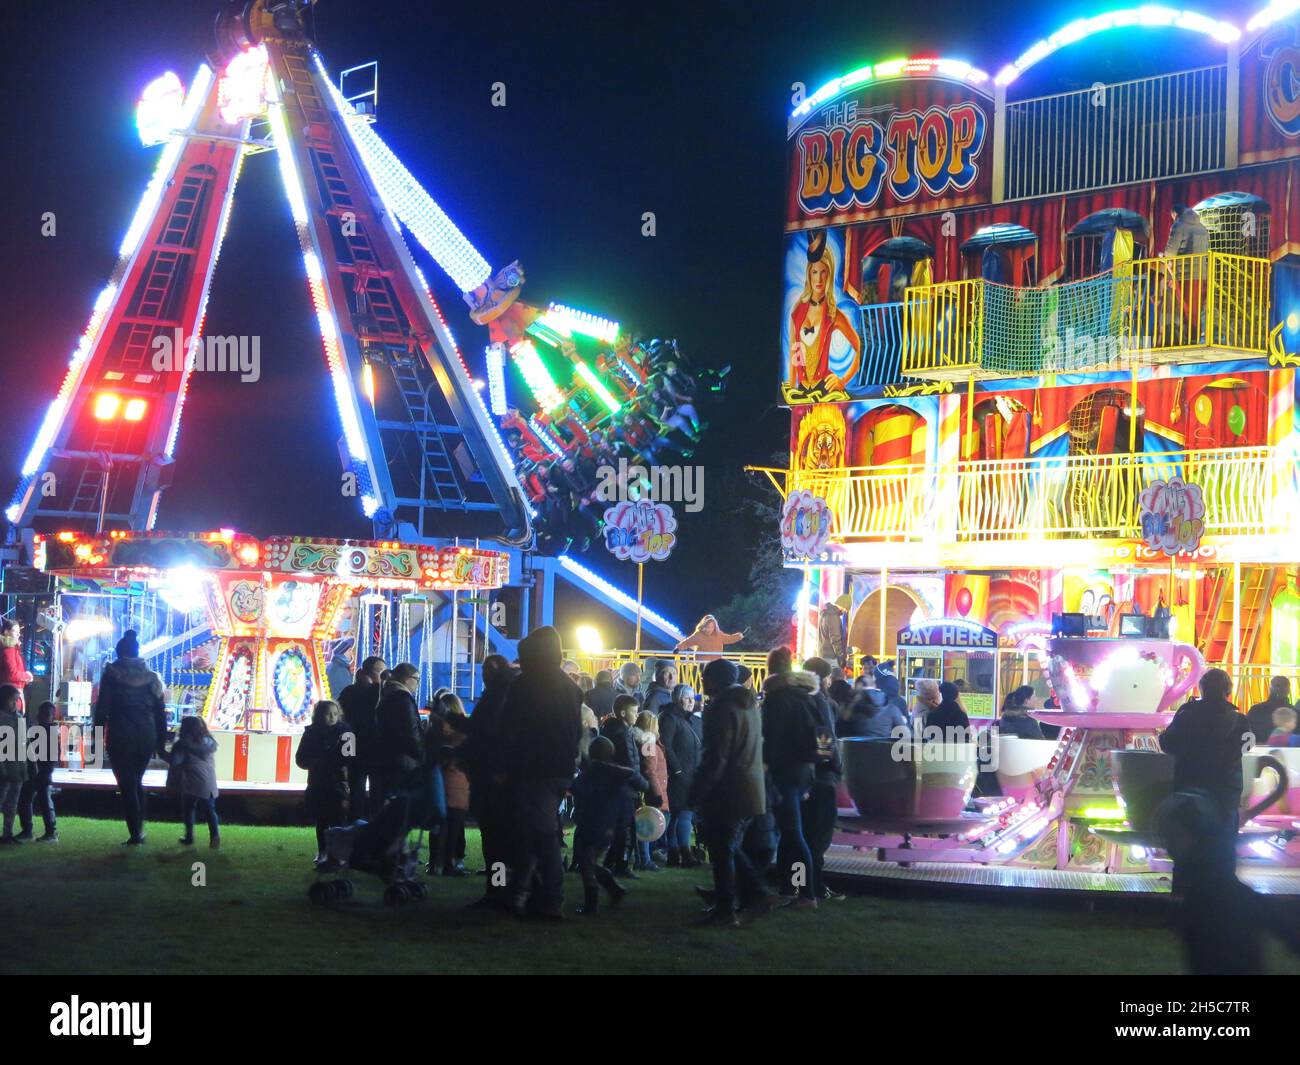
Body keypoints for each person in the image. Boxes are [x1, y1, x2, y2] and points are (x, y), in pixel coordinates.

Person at [500, 625, 584, 920]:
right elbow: (576, 731)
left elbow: (510, 728)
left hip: (533, 768)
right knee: (538, 831)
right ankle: (528, 893)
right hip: (561, 768)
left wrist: (505, 764)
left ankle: (545, 897)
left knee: (539, 835)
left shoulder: (525, 685)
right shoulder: (570, 688)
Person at [690, 659, 771, 926]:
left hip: (728, 790)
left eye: (705, 677)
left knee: (723, 850)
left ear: (715, 680)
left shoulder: (721, 708)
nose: (702, 682)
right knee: (729, 847)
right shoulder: (748, 705)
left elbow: (716, 756)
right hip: (749, 787)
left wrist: (698, 791)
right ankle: (745, 897)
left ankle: (731, 906)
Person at [1159, 668, 1252, 880]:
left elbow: (1167, 743)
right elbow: (1248, 747)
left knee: (1188, 847)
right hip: (1225, 793)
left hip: (1190, 789)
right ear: (1228, 691)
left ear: (1202, 689)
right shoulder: (1240, 720)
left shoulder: (1186, 714)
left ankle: (1186, 891)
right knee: (1223, 848)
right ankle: (1220, 890)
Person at [93, 630, 167, 846]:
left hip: (121, 734)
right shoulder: (152, 677)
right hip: (146, 735)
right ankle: (139, 829)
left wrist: (96, 738)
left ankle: (136, 834)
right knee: (136, 781)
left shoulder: (111, 674)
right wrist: (161, 741)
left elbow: (102, 708)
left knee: (127, 784)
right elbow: (160, 712)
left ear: (119, 652)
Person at [761, 647, 820, 907]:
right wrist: (817, 768)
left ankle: (806, 892)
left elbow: (771, 739)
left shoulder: (776, 699)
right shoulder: (807, 696)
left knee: (793, 833)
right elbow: (823, 734)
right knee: (791, 831)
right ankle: (790, 887)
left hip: (784, 770)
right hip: (805, 770)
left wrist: (766, 766)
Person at [463, 654, 516, 909]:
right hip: (493, 775)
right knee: (497, 840)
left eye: (488, 668)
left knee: (495, 840)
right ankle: (502, 888)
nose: (483, 672)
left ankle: (498, 890)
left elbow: (482, 733)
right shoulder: (502, 694)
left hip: (492, 778)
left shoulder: (496, 698)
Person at [570, 737, 645, 916]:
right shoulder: (619, 773)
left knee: (586, 861)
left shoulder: (591, 773)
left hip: (591, 822)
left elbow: (579, 789)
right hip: (612, 823)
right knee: (589, 860)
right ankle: (613, 889)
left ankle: (593, 903)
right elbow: (643, 784)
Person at [801, 657, 845, 903]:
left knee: (803, 834)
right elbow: (825, 738)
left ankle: (799, 884)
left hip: (803, 774)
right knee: (819, 835)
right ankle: (815, 886)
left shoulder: (797, 699)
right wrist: (834, 765)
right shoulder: (820, 702)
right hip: (822, 776)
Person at [295, 699, 354, 863]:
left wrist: (328, 760)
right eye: (328, 714)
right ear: (319, 715)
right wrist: (317, 762)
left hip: (338, 782)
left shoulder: (346, 732)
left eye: (335, 714)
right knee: (321, 820)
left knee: (339, 819)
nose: (332, 717)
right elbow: (301, 758)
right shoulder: (311, 733)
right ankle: (322, 851)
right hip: (318, 782)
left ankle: (338, 854)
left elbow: (349, 757)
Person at [658, 681, 704, 867]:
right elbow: (666, 746)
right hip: (678, 776)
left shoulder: (691, 719)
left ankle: (675, 852)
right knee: (683, 812)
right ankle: (683, 852)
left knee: (680, 815)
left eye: (693, 698)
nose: (691, 701)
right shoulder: (669, 718)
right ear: (677, 699)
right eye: (687, 698)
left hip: (692, 774)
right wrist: (677, 769)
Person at [336, 655, 386, 817]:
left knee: (366, 789)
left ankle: (360, 820)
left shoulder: (350, 691)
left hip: (365, 747)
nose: (383, 676)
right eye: (380, 672)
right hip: (364, 747)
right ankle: (364, 820)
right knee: (363, 789)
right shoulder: (372, 692)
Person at [372, 663, 423, 806]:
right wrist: (421, 754)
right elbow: (412, 731)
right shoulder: (403, 698)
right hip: (404, 760)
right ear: (407, 679)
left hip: (388, 757)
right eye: (416, 679)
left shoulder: (386, 694)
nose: (417, 684)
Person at [168, 715, 220, 848]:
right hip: (209, 779)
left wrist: (163, 753)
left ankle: (189, 837)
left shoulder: (182, 744)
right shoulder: (208, 741)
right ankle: (215, 836)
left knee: (188, 808)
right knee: (210, 810)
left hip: (192, 780)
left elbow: (175, 761)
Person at [433, 696, 471, 876]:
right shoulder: (462, 735)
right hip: (458, 782)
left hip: (441, 782)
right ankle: (450, 863)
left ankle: (436, 862)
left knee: (439, 824)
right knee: (454, 824)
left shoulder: (436, 733)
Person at [16, 700, 58, 842]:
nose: (42, 716)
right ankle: (31, 831)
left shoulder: (48, 732)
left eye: (46, 714)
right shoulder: (36, 731)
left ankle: (49, 832)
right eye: (42, 713)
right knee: (27, 800)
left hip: (42, 772)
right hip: (35, 771)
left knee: (41, 801)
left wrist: (46, 771)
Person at [635, 710, 669, 871]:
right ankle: (645, 859)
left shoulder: (647, 743)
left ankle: (644, 858)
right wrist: (657, 793)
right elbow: (649, 770)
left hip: (655, 788)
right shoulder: (649, 744)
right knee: (648, 825)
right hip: (654, 790)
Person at [0, 685, 34, 844]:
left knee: (12, 804)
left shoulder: (19, 718)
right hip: (5, 769)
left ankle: (7, 833)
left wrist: (30, 763)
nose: (14, 704)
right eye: (11, 700)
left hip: (18, 769)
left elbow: (26, 743)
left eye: (16, 700)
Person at [1246, 676, 1292, 749]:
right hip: (1290, 752)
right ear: (1288, 691)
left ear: (1270, 689)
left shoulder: (1255, 710)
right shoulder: (1294, 713)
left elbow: (1246, 733)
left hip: (1258, 750)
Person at [675, 615, 744, 660]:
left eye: (712, 627)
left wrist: (740, 635)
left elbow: (729, 639)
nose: (710, 629)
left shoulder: (719, 634)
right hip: (703, 661)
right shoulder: (699, 635)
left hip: (716, 662)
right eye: (708, 627)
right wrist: (678, 648)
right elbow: (687, 642)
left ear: (715, 627)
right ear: (704, 626)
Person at [0, 620, 33, 708]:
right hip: (11, 698)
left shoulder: (12, 650)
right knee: (14, 717)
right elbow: (12, 675)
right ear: (6, 632)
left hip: (12, 696)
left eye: (19, 632)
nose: (19, 634)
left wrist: (25, 679)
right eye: (15, 631)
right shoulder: (9, 650)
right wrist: (27, 676)